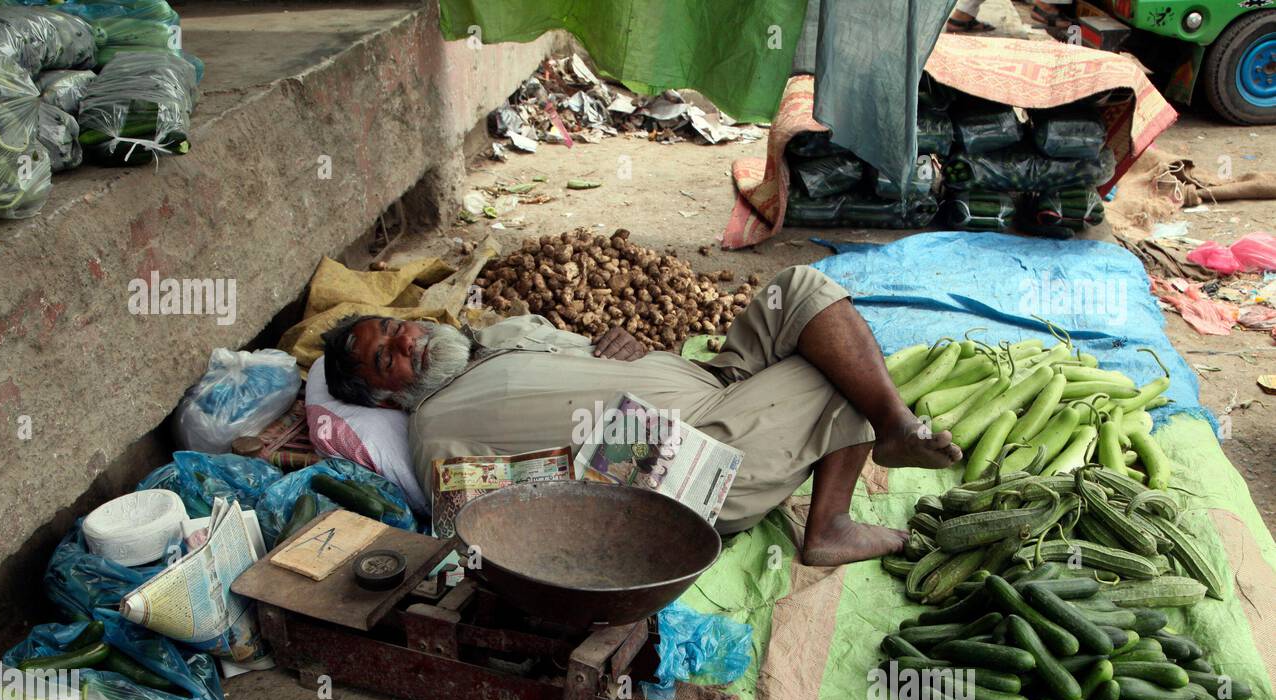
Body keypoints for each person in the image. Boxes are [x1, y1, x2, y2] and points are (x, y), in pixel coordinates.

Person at [321, 266, 963, 566]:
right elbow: (490, 525)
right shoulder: (437, 429)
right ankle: (832, 524)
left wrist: (630, 351)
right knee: (832, 373)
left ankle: (893, 424)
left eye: (395, 328)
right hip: (693, 458)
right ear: (384, 400)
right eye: (386, 359)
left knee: (796, 290)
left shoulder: (495, 335)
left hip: (709, 381)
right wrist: (619, 455)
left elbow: (591, 356)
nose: (407, 341)